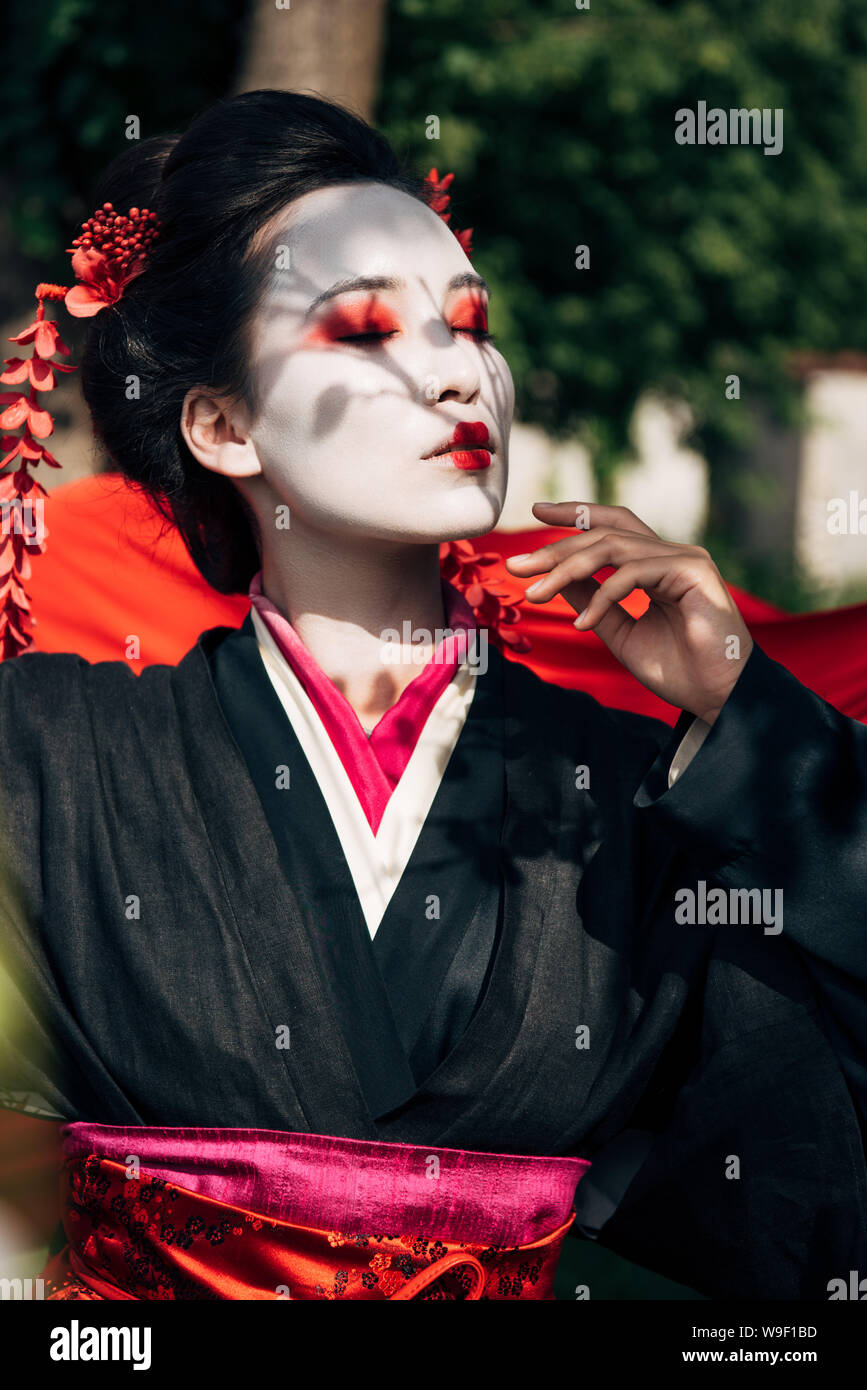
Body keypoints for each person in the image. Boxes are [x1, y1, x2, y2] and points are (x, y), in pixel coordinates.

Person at [0, 89, 864, 1301]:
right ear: (221, 423)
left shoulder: (628, 793)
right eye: (364, 330)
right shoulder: (50, 755)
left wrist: (745, 716)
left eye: (470, 324)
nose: (459, 377)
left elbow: (805, 1185)